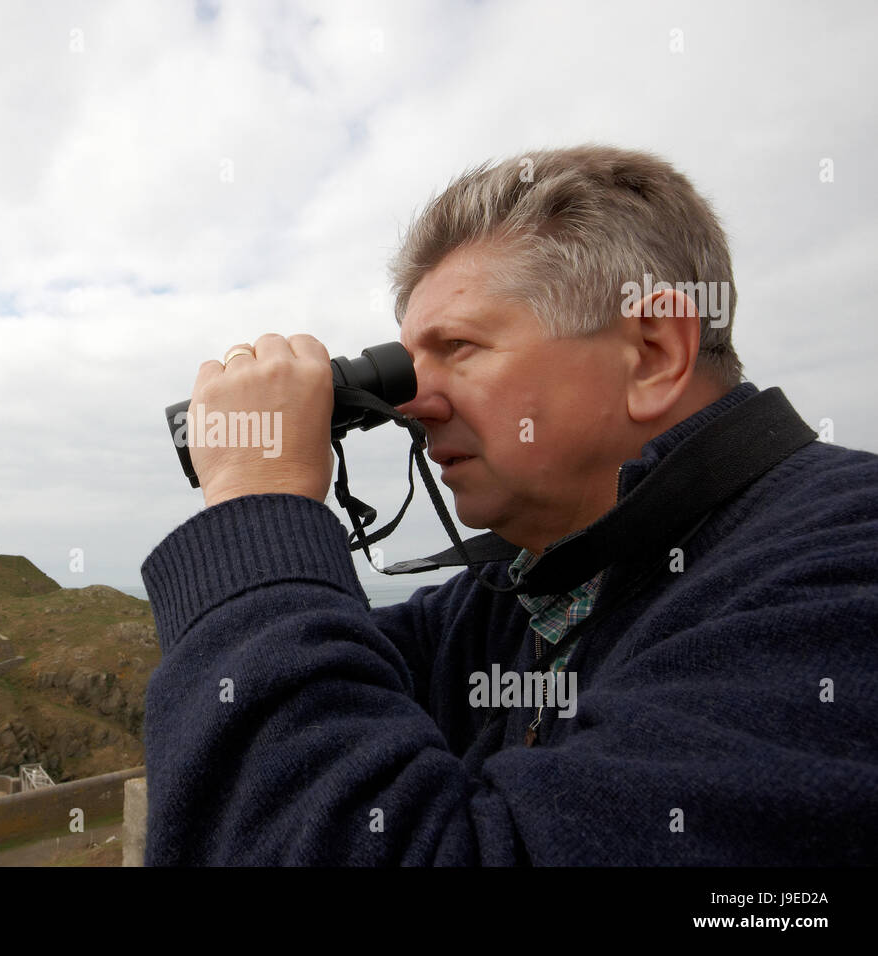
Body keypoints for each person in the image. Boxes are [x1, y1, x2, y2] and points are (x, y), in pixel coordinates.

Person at [139, 144, 878, 865]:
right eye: (405, 365)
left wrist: (257, 502)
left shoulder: (843, 571)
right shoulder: (521, 597)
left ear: (652, 352)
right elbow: (258, 703)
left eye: (457, 346)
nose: (415, 404)